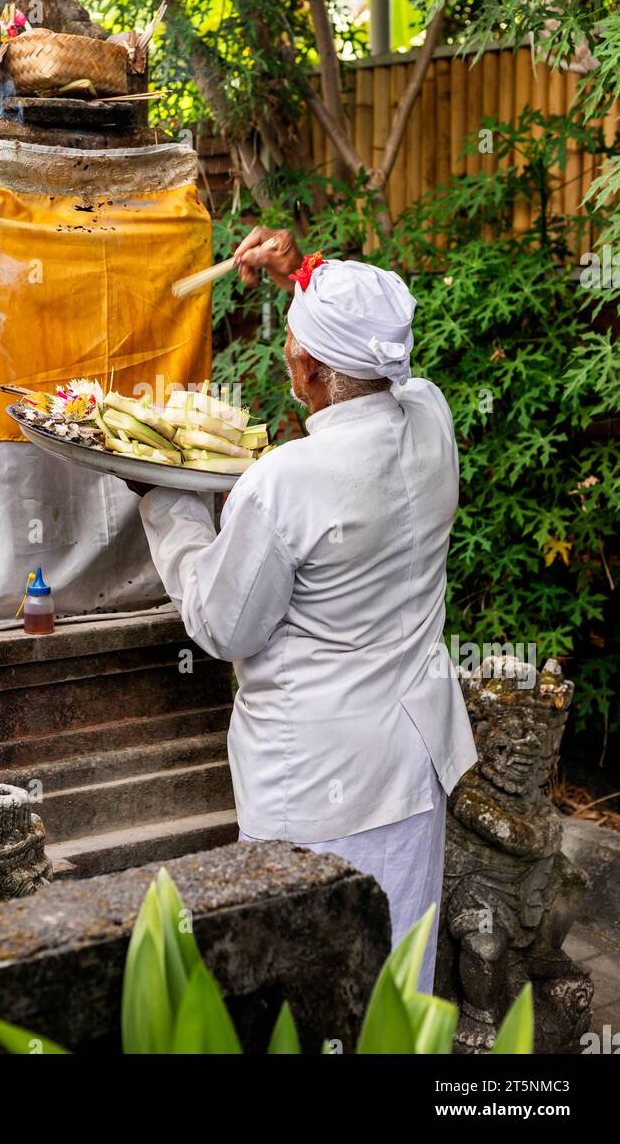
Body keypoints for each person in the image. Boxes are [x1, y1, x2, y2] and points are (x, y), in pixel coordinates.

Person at [134, 227, 478, 993]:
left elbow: (224, 625)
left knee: (309, 994)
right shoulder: (431, 421)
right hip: (409, 768)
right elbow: (390, 362)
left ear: (310, 369)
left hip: (315, 783)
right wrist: (304, 276)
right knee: (398, 991)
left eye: (294, 341)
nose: (286, 349)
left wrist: (168, 502)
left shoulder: (285, 480)